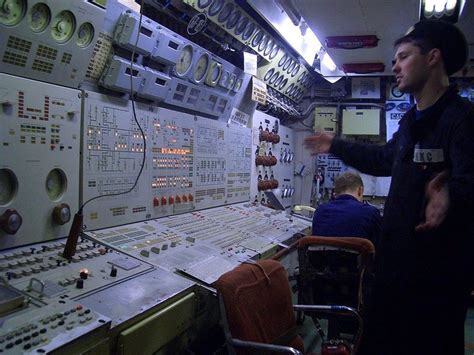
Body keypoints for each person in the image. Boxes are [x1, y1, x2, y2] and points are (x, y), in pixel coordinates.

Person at [304, 20, 474, 355]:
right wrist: (335, 144)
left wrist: (450, 192)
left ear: (433, 58)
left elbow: (468, 178)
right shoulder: (411, 122)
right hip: (394, 271)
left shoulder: (462, 117)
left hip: (435, 280)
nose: (394, 65)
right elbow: (383, 159)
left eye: (403, 56)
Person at [312, 171, 381, 245]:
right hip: (357, 256)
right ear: (360, 191)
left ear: (335, 193)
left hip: (323, 256)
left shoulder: (320, 211)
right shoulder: (371, 213)